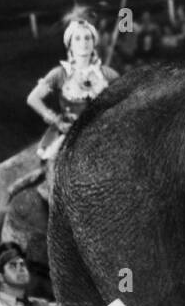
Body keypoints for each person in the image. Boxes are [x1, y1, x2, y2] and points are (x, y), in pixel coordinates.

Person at [26, 17, 118, 197]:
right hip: (69, 132)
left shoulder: (107, 74)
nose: (83, 43)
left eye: (87, 38)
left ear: (94, 43)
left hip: (103, 133)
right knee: (59, 176)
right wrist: (54, 119)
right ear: (70, 44)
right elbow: (33, 98)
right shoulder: (60, 74)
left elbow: (126, 100)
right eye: (77, 38)